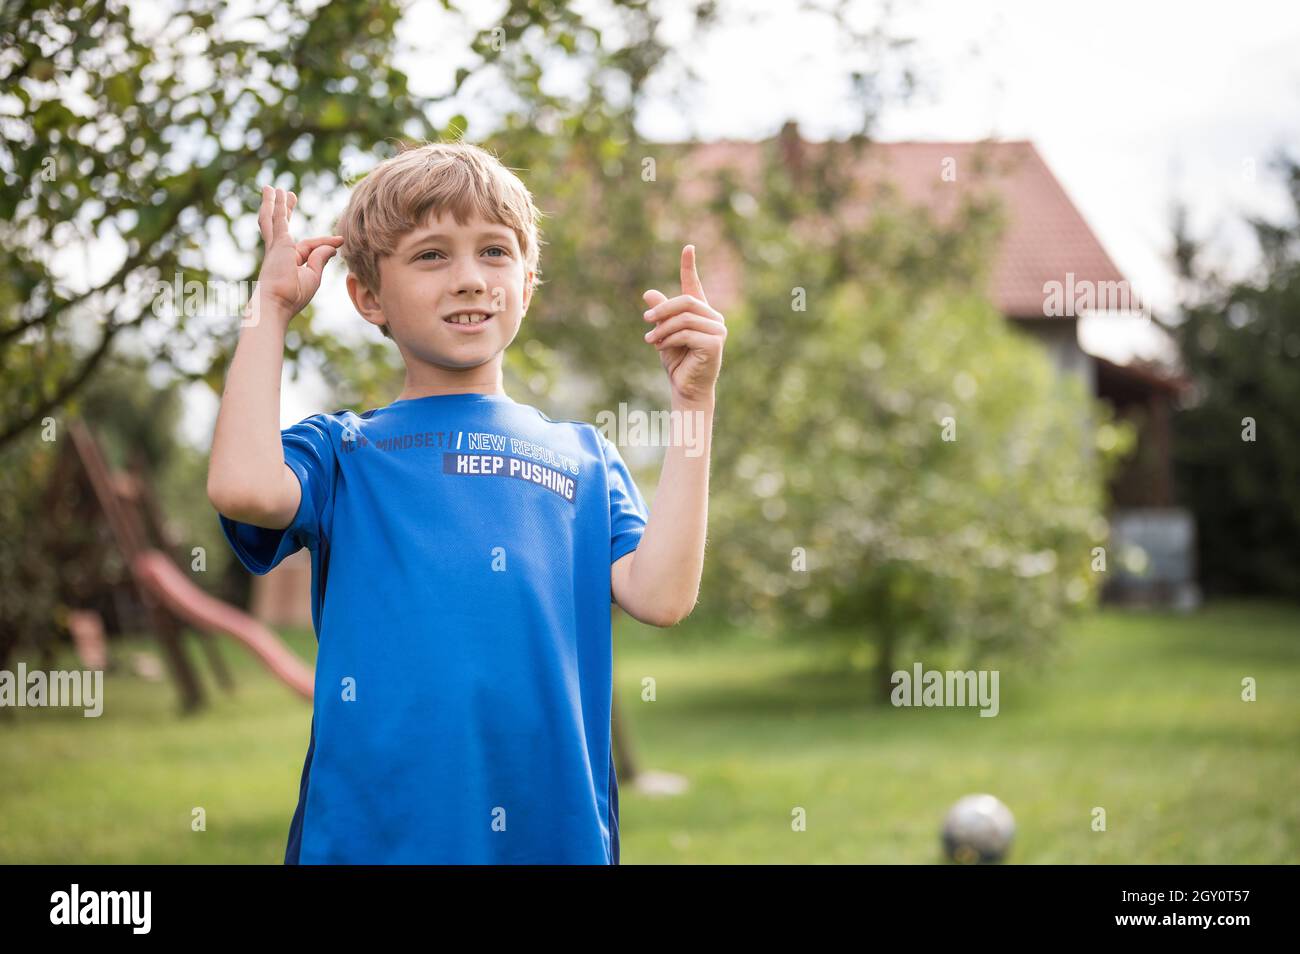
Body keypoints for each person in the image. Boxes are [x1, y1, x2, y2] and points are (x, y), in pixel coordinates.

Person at [206, 140, 725, 864]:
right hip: (370, 839)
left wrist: (692, 404)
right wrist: (269, 312)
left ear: (527, 280)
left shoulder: (584, 458)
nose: (469, 279)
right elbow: (241, 486)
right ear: (368, 296)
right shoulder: (344, 454)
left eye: (494, 252)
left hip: (554, 837)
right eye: (430, 256)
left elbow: (663, 596)